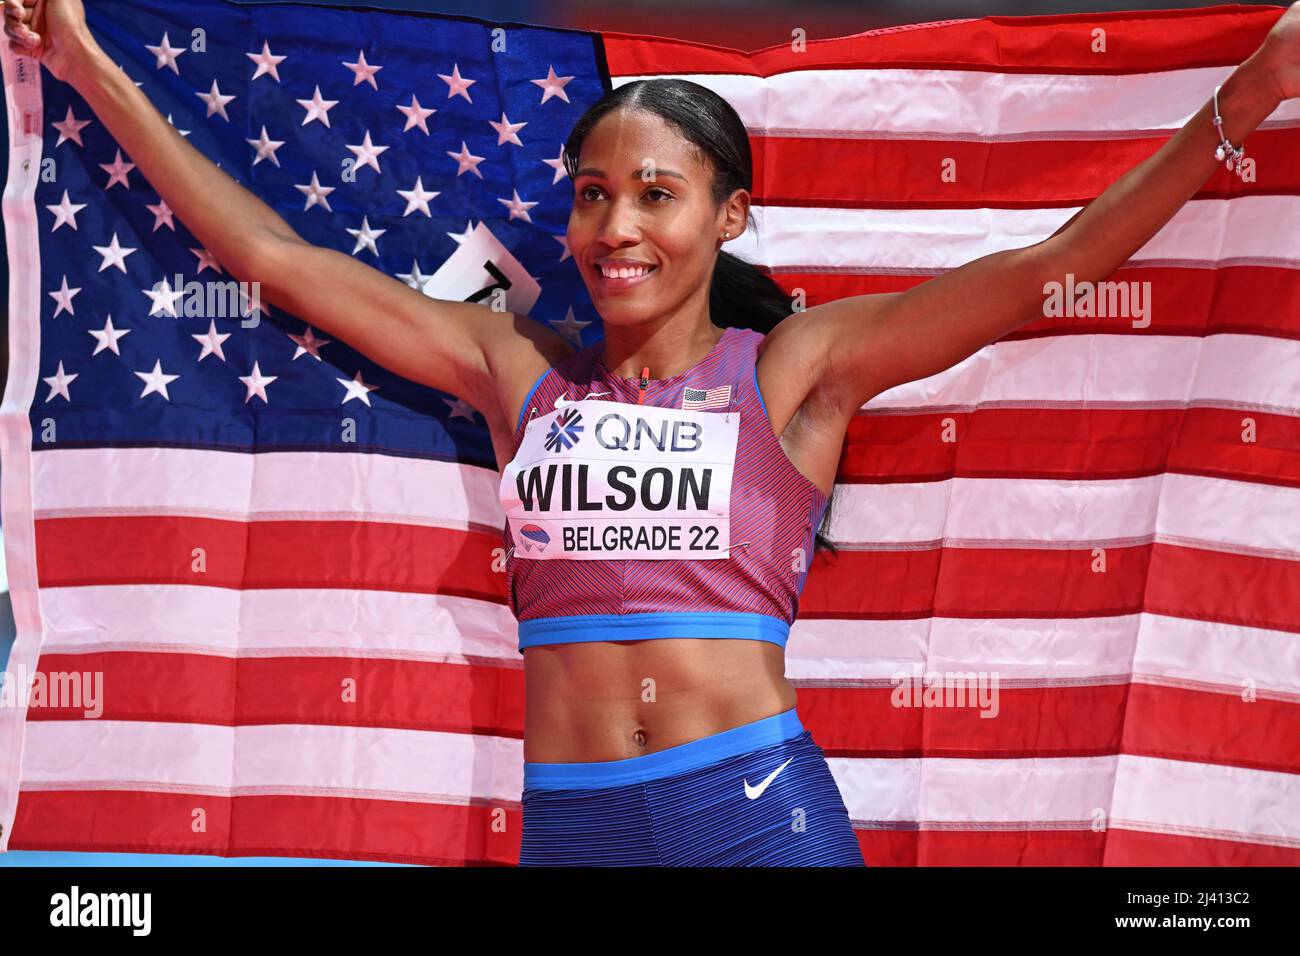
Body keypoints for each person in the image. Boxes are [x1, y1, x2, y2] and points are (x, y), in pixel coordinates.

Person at [7, 0, 1297, 867]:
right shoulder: (516, 371)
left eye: (656, 194)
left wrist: (1249, 96)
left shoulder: (797, 370)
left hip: (750, 813)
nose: (616, 226)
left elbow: (1053, 262)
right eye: (592, 196)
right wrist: (83, 58)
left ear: (728, 218)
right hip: (571, 825)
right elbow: (273, 259)